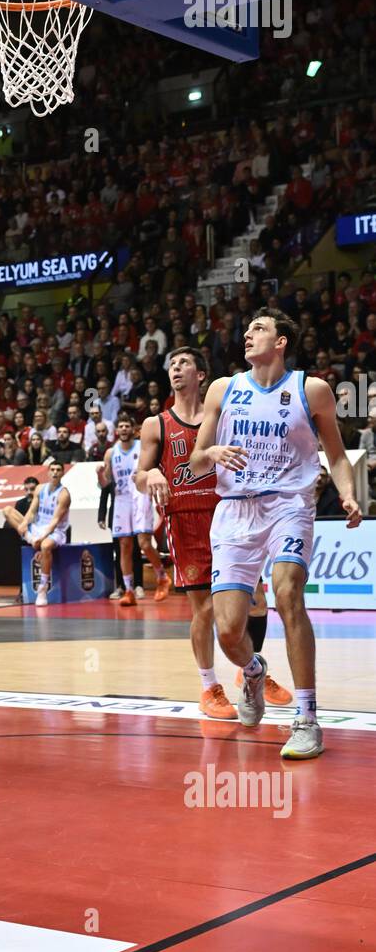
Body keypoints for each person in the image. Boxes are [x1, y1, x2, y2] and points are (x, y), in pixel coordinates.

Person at [190, 309, 361, 759]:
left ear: (281, 341)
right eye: (246, 329)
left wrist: (347, 494)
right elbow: (195, 461)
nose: (247, 334)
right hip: (233, 511)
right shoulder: (223, 389)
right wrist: (211, 450)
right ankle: (252, 670)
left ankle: (306, 718)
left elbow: (337, 455)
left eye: (259, 329)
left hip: (288, 505)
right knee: (228, 630)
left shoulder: (311, 389)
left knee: (287, 594)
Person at [136, 345, 290, 718]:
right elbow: (139, 476)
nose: (176, 369)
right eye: (171, 365)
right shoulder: (155, 424)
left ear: (201, 375)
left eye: (184, 363)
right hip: (186, 520)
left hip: (229, 513)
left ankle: (248, 669)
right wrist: (152, 473)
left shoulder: (222, 418)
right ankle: (209, 687)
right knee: (204, 609)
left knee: (255, 598)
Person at [97, 413, 165, 606]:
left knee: (143, 543)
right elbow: (106, 483)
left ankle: (161, 577)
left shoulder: (141, 447)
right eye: (121, 426)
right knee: (124, 546)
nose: (124, 429)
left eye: (127, 425)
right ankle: (128, 590)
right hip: (121, 499)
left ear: (133, 429)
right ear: (116, 430)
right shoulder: (111, 453)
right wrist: (101, 476)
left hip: (140, 495)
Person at [13, 458, 71, 607]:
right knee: (8, 512)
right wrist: (24, 524)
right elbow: (32, 511)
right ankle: (31, 539)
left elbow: (55, 521)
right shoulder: (39, 489)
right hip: (37, 527)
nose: (55, 473)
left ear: (62, 473)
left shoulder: (64, 494)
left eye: (58, 470)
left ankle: (42, 588)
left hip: (55, 532)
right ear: (48, 472)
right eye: (52, 470)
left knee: (45, 546)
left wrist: (41, 537)